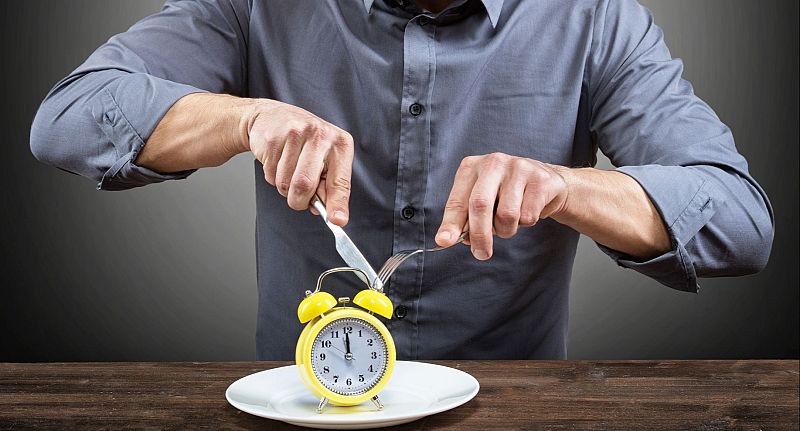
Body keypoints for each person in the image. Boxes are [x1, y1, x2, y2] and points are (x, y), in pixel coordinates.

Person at [29, 0, 773, 360]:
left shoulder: (595, 20)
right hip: (299, 416)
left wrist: (564, 188)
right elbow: (68, 116)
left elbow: (740, 220)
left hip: (517, 423)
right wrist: (243, 119)